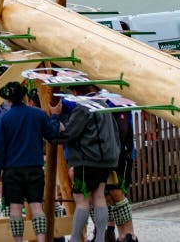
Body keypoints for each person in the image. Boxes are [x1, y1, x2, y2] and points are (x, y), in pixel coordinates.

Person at [0, 82, 61, 242]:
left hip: (12, 170)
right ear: (24, 96)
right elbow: (52, 134)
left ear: (8, 100)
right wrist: (55, 115)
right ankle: (42, 239)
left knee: (15, 209)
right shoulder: (38, 114)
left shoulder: (2, 119)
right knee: (36, 207)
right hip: (34, 167)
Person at [55, 86, 120, 242]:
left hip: (87, 159)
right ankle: (100, 238)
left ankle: (75, 239)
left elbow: (69, 133)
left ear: (76, 92)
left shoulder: (83, 107)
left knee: (81, 200)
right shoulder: (103, 104)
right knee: (99, 197)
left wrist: (56, 117)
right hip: (106, 160)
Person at [101, 108, 138, 242]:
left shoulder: (119, 104)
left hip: (123, 154)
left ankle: (129, 233)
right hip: (112, 156)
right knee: (110, 195)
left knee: (118, 193)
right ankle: (116, 231)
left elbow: (123, 133)